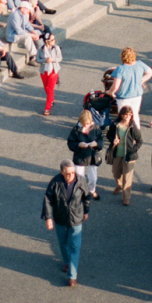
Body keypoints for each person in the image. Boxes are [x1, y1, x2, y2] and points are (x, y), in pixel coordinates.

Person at [41, 159, 90, 287]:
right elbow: (47, 199)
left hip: (76, 218)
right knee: (63, 243)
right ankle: (67, 262)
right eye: (68, 173)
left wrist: (86, 211)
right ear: (62, 172)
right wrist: (48, 217)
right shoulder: (55, 182)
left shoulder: (80, 181)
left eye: (73, 173)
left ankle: (72, 276)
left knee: (75, 246)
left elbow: (86, 197)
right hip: (60, 218)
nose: (71, 176)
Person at [107, 47, 152, 127]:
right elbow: (150, 72)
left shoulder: (120, 69)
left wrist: (109, 92)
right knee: (135, 114)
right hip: (137, 95)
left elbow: (115, 86)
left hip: (124, 97)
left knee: (124, 117)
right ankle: (136, 134)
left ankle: (125, 135)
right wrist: (141, 80)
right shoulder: (140, 64)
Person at [106, 105, 142, 206]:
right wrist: (113, 140)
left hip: (129, 156)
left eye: (130, 114)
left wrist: (133, 151)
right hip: (117, 153)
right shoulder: (115, 124)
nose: (128, 116)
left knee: (127, 177)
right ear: (121, 115)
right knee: (116, 173)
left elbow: (140, 141)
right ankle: (119, 185)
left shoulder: (132, 126)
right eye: (126, 114)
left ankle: (126, 198)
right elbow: (109, 135)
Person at [67, 110, 104, 201]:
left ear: (90, 121)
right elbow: (70, 143)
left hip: (92, 156)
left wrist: (96, 144)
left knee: (93, 178)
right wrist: (78, 145)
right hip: (80, 156)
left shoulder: (96, 128)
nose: (85, 126)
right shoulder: (76, 129)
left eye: (87, 123)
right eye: (83, 124)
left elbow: (101, 141)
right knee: (79, 177)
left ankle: (92, 190)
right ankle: (81, 192)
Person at [5, 1, 39, 66]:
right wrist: (32, 35)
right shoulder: (14, 15)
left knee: (37, 33)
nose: (28, 10)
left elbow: (28, 25)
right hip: (12, 35)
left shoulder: (23, 14)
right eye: (27, 9)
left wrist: (34, 33)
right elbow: (19, 31)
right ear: (22, 8)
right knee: (28, 37)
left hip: (19, 33)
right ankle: (32, 57)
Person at [37, 32, 62, 116]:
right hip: (44, 71)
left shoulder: (56, 48)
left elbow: (60, 58)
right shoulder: (41, 49)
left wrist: (52, 59)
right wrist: (45, 61)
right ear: (47, 41)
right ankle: (51, 99)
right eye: (52, 40)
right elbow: (37, 59)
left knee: (50, 89)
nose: (54, 41)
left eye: (54, 39)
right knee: (46, 88)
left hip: (53, 71)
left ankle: (47, 108)